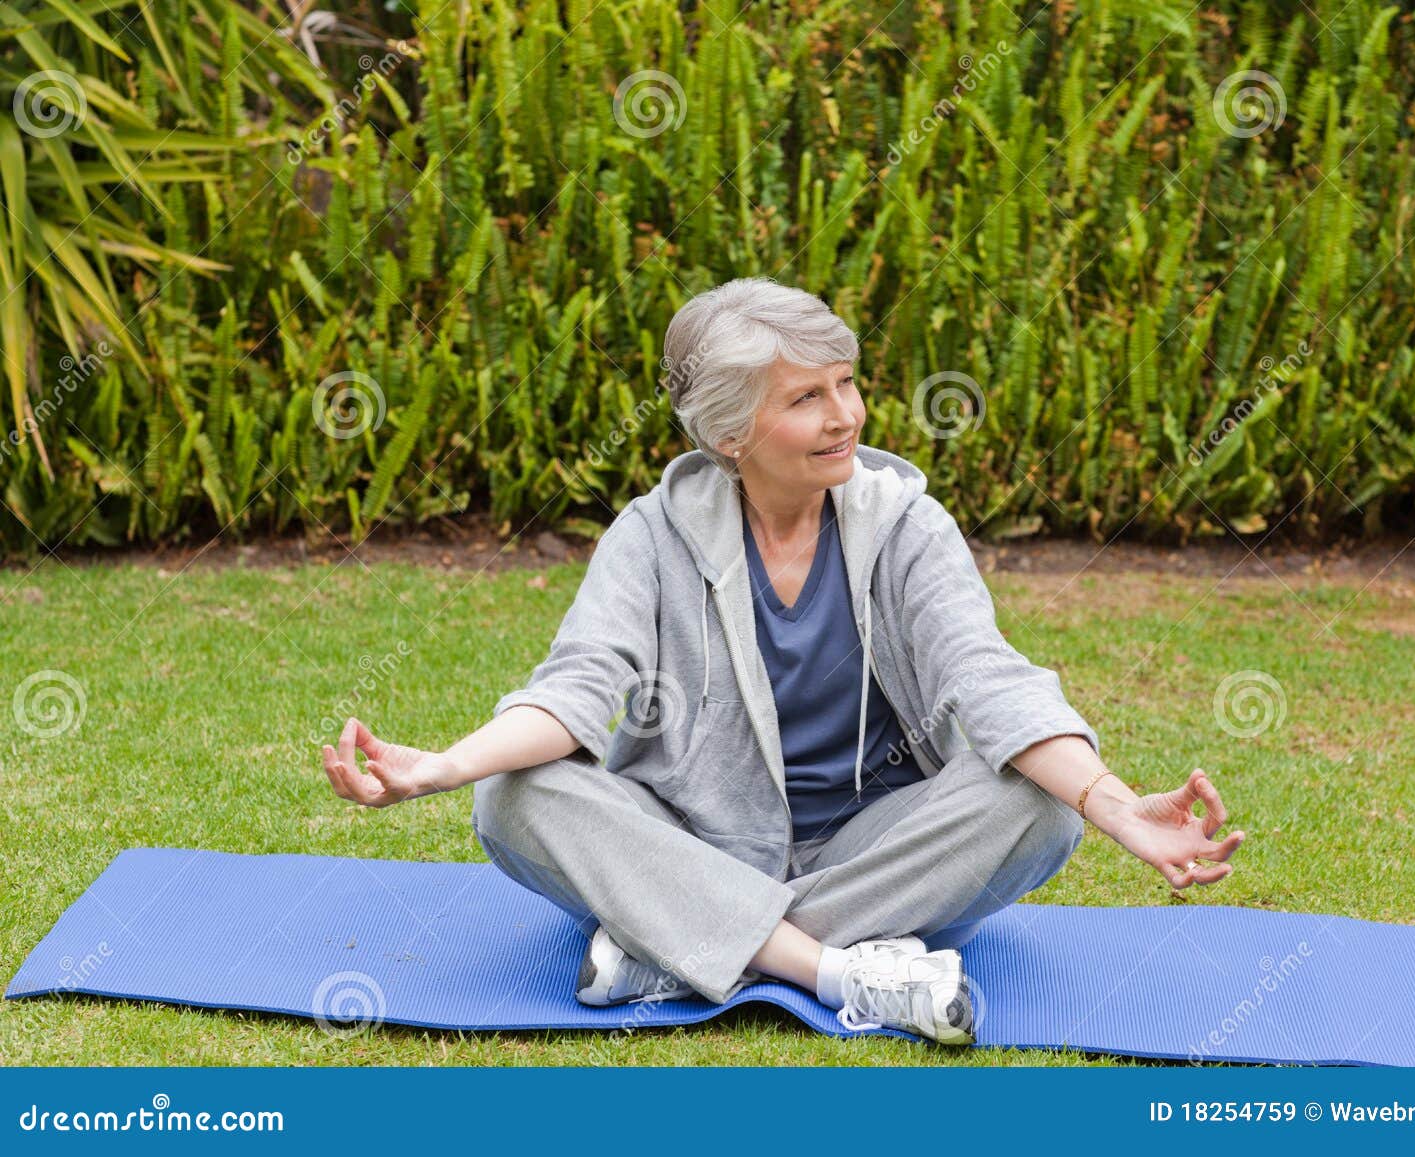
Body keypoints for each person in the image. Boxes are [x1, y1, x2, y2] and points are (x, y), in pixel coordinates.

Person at [321, 276, 1246, 1047]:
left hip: (869, 840)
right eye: (808, 397)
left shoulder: (907, 527)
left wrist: (1120, 808)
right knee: (516, 794)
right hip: (688, 833)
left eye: (846, 383)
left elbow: (989, 679)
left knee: (1035, 802)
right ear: (729, 433)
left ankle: (676, 944)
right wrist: (443, 765)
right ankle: (840, 971)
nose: (846, 414)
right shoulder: (649, 536)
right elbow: (576, 691)